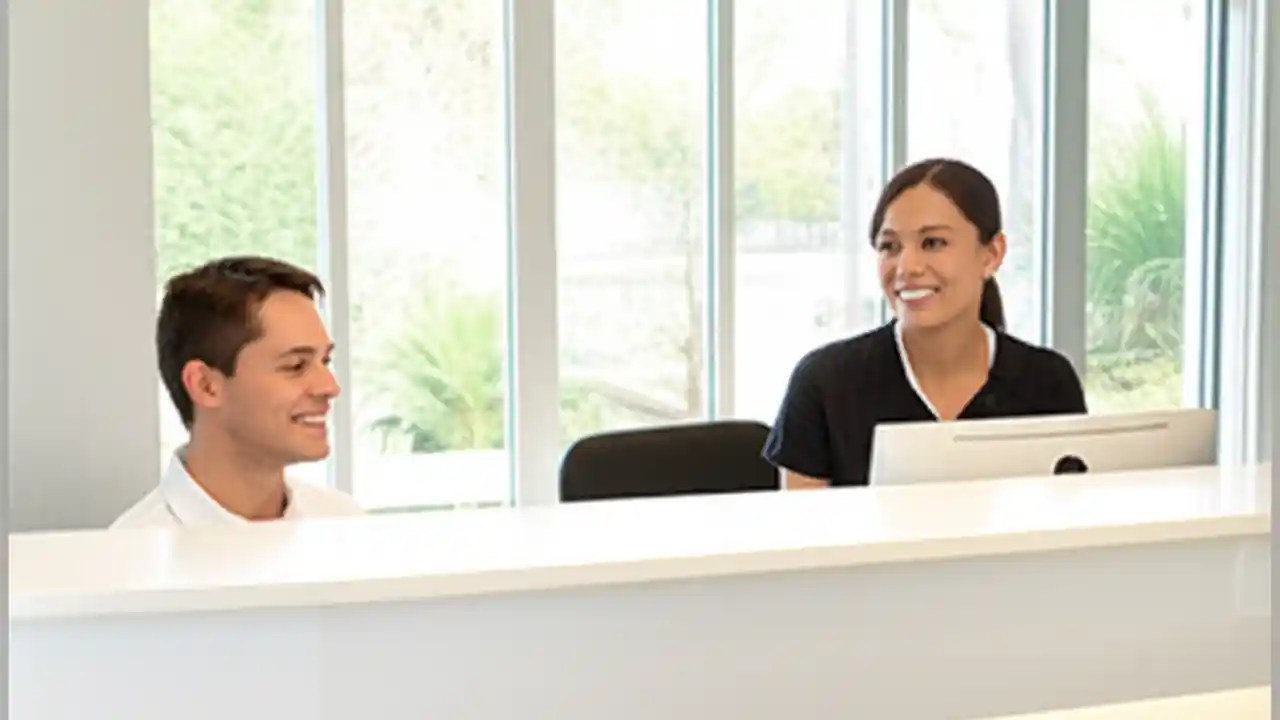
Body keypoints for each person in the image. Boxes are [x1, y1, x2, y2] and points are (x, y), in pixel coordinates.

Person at [763, 158, 1087, 489]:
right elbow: (803, 520)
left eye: (933, 243)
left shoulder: (1048, 382)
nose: (907, 267)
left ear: (991, 254)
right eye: (890, 247)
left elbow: (1073, 513)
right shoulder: (825, 384)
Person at [112, 256, 364, 528]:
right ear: (206, 386)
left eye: (325, 361)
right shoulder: (133, 547)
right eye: (296, 365)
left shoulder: (343, 521)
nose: (330, 387)